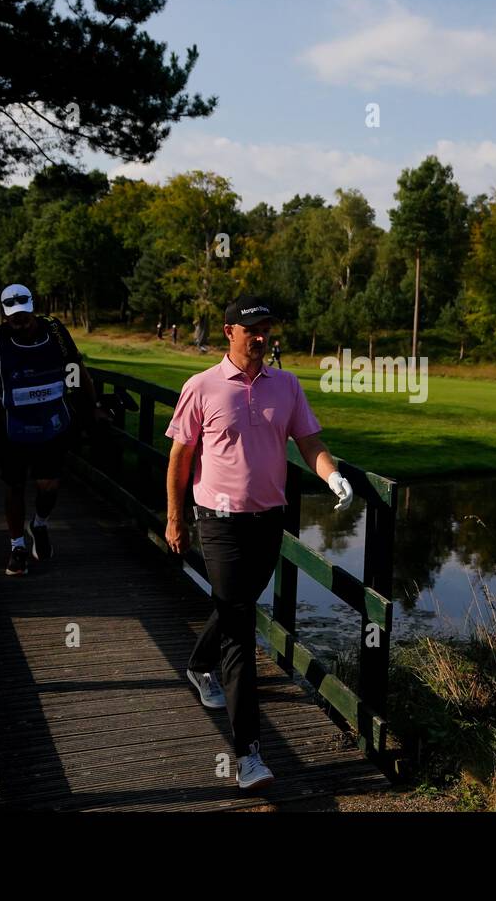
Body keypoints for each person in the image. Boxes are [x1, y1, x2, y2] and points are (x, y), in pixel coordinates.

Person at [165, 295, 353, 791]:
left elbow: (308, 443)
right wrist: (175, 516)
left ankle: (198, 664)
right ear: (229, 332)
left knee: (237, 605)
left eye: (267, 327)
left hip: (269, 520)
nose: (263, 336)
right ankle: (249, 753)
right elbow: (180, 457)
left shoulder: (287, 385)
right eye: (253, 329)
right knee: (240, 628)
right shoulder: (202, 386)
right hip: (219, 521)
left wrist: (332, 476)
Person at [0, 284, 110, 576]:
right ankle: (17, 547)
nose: (22, 323)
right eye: (14, 319)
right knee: (14, 486)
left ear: (33, 308)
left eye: (25, 316)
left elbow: (76, 369)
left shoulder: (54, 331)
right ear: (5, 316)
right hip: (13, 427)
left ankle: (39, 523)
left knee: (48, 486)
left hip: (53, 423)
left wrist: (92, 406)